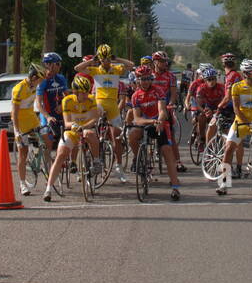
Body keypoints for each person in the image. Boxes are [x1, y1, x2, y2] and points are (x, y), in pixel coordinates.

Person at [74, 45, 134, 182]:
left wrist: (116, 59)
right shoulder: (95, 70)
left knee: (117, 137)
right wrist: (92, 60)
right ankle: (94, 156)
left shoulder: (116, 69)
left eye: (107, 59)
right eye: (103, 59)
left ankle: (118, 167)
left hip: (113, 104)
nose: (105, 62)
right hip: (99, 103)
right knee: (92, 131)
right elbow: (77, 68)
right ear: (99, 59)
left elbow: (131, 65)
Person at [217, 59, 252, 195]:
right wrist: (245, 122)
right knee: (229, 148)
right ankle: (224, 183)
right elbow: (236, 108)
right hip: (240, 122)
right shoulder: (236, 87)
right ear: (246, 74)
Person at [43, 75, 104, 202]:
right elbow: (67, 123)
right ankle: (48, 189)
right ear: (76, 92)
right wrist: (75, 126)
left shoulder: (91, 100)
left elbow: (94, 119)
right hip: (71, 130)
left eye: (87, 92)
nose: (86, 95)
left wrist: (83, 126)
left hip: (86, 128)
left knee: (89, 134)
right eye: (83, 93)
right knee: (60, 155)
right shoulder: (67, 101)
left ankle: (97, 161)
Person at [125, 65, 182, 201]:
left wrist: (160, 120)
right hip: (145, 123)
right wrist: (149, 122)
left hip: (159, 123)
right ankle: (139, 159)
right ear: (137, 80)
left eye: (147, 79)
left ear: (151, 79)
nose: (145, 82)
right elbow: (137, 118)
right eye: (142, 79)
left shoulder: (158, 91)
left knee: (167, 150)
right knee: (132, 134)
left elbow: (162, 110)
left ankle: (175, 186)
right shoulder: (135, 96)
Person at [11, 65, 53, 196]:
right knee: (22, 153)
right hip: (21, 122)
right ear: (34, 78)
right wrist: (17, 131)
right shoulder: (19, 89)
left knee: (46, 142)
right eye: (40, 79)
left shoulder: (35, 84)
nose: (42, 82)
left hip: (32, 118)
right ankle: (22, 183)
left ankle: (48, 172)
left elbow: (37, 104)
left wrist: (46, 117)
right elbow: (14, 113)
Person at [150, 51, 186, 172]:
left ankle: (177, 161)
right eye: (162, 61)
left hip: (164, 107)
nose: (165, 63)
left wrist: (171, 103)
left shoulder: (170, 76)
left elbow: (173, 93)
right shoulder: (149, 75)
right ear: (155, 62)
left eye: (166, 61)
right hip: (149, 106)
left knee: (170, 133)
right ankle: (141, 159)